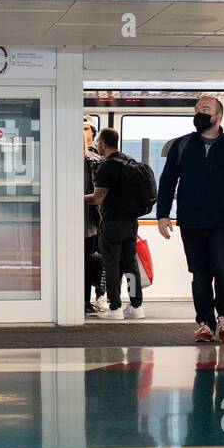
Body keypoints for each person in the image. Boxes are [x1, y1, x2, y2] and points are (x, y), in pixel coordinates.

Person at [155, 94, 224, 343]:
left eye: (205, 108)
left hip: (222, 223)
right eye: (197, 108)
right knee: (200, 274)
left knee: (222, 270)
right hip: (190, 222)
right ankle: (204, 322)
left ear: (218, 116)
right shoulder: (181, 146)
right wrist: (162, 215)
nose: (199, 112)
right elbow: (167, 182)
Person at [85, 127, 145, 320]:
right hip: (131, 223)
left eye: (98, 143)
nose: (97, 146)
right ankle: (136, 306)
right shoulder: (129, 161)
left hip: (112, 224)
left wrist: (77, 198)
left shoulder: (107, 166)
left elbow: (98, 198)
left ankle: (115, 308)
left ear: (102, 143)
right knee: (130, 265)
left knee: (111, 266)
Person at [83, 118, 106, 315]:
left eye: (85, 129)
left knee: (90, 263)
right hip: (78, 220)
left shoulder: (96, 160)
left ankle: (90, 298)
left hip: (91, 221)